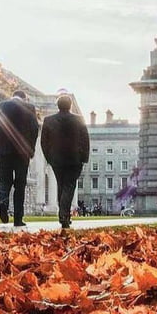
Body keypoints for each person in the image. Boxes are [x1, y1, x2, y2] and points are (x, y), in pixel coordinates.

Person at [40, 94, 90, 230]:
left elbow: (44, 142)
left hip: (56, 160)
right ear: (70, 106)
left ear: (58, 106)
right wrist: (84, 157)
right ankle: (64, 215)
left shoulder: (48, 120)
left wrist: (48, 157)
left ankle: (64, 215)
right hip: (74, 160)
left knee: (62, 186)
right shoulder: (79, 119)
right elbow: (85, 140)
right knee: (68, 186)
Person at [0, 89, 40, 227]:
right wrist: (31, 149)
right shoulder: (29, 108)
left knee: (4, 181)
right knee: (20, 185)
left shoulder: (0, 106)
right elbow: (34, 129)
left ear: (12, 96)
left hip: (4, 151)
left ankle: (3, 201)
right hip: (22, 152)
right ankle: (18, 219)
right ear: (24, 98)